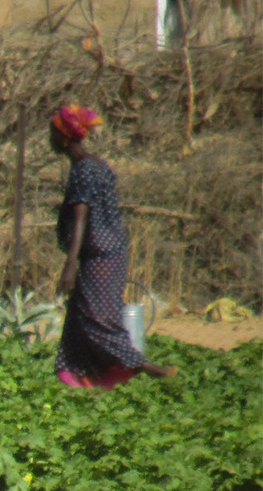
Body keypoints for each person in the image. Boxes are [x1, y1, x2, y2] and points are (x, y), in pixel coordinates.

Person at [50, 103, 177, 389]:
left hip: (101, 254)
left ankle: (143, 366)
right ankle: (81, 378)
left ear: (65, 138)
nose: (50, 140)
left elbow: (81, 217)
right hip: (106, 251)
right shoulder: (95, 165)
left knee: (97, 318)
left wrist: (69, 265)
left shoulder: (84, 170)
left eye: (53, 133)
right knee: (77, 319)